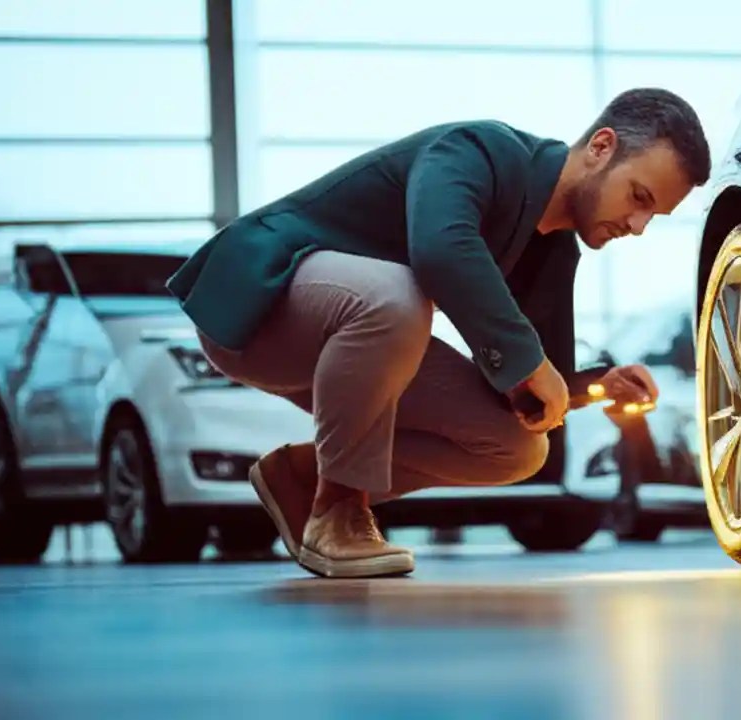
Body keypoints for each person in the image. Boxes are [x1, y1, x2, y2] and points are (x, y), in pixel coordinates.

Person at [166, 88, 711, 578]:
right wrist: (529, 365)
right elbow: (440, 251)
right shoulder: (479, 150)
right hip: (261, 301)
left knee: (519, 448)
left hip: (368, 341)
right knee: (399, 295)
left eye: (654, 216)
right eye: (639, 197)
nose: (638, 227)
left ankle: (303, 481)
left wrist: (596, 386)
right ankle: (338, 510)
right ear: (600, 147)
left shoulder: (553, 253)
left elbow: (532, 384)